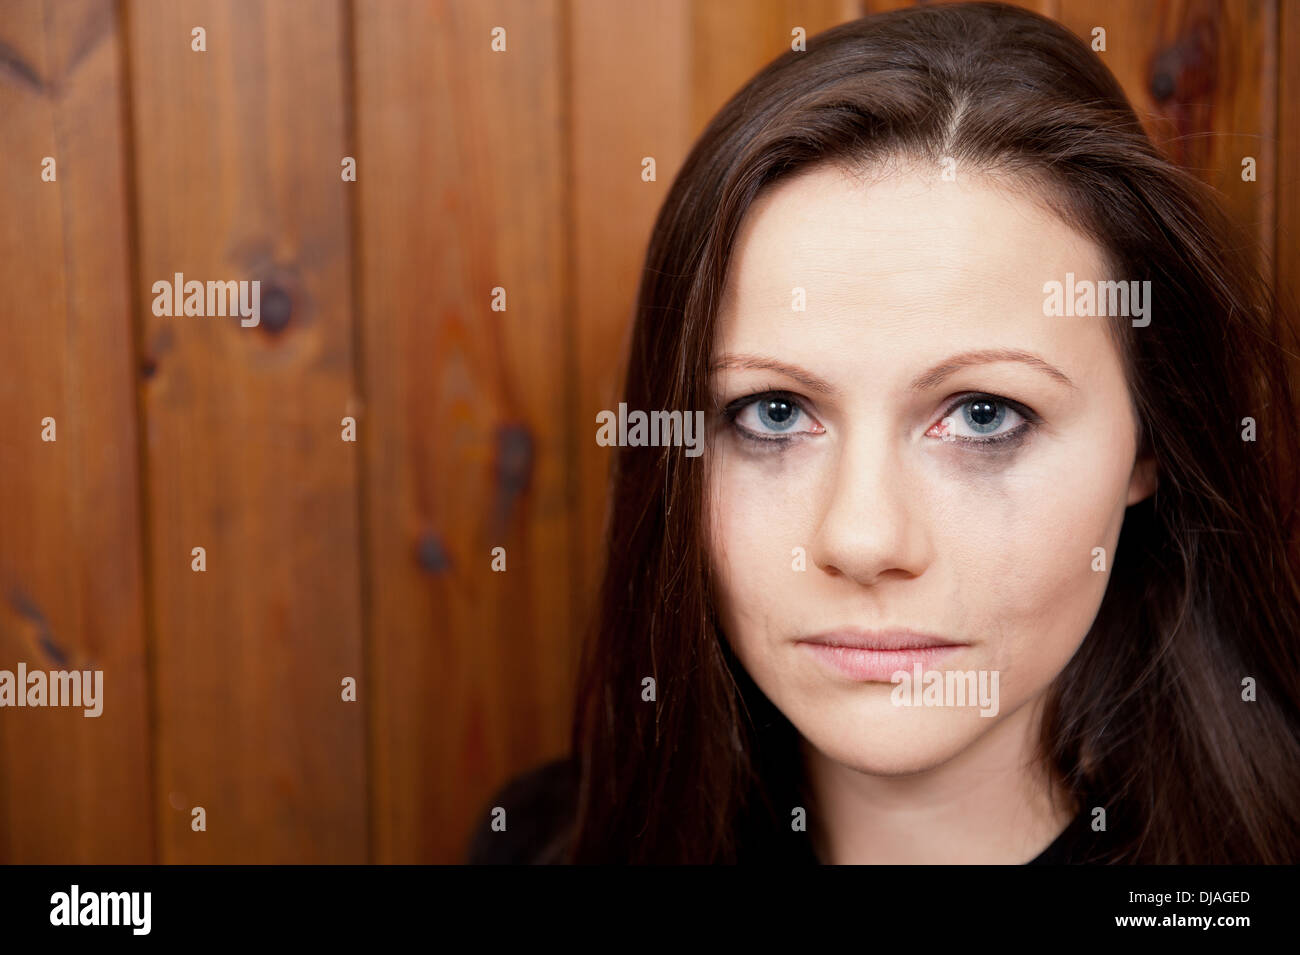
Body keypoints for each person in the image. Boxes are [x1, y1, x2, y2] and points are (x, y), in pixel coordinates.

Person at [466, 0, 1300, 864]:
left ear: (1149, 439)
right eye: (773, 412)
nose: (861, 539)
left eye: (985, 415)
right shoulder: (545, 844)